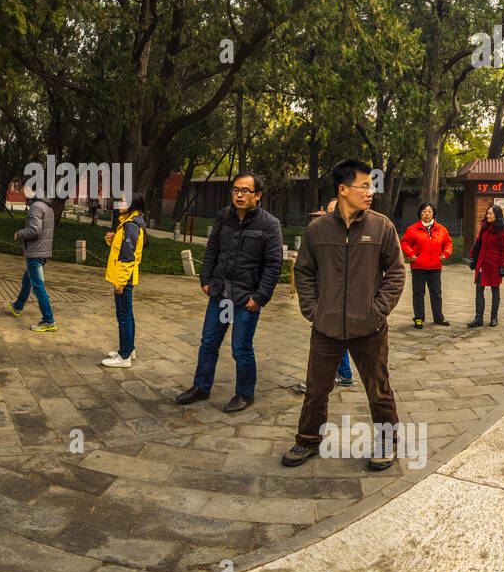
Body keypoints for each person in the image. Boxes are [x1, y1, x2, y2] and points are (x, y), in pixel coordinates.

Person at [285, 159, 404, 473]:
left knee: (378, 389)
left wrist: (377, 311)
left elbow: (396, 273)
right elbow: (304, 272)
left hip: (370, 328)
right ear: (342, 189)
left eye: (371, 185)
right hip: (326, 327)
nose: (370, 192)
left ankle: (386, 442)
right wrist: (313, 310)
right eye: (364, 185)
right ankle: (308, 439)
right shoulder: (318, 230)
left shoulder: (382, 227)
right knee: (316, 389)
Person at [175, 173, 282, 412]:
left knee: (241, 348)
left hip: (246, 299)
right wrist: (205, 280)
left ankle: (245, 394)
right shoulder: (224, 217)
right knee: (209, 343)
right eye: (236, 190)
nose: (240, 195)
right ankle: (201, 387)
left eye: (245, 190)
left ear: (258, 195)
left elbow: (273, 265)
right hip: (221, 295)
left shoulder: (269, 224)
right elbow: (212, 248)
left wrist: (259, 297)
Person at [100, 196, 146, 368]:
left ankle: (124, 356)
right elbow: (121, 249)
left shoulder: (131, 225)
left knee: (124, 316)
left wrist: (120, 282)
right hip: (124, 276)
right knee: (127, 315)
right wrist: (110, 239)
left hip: (124, 277)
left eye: (124, 201)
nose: (120, 204)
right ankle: (129, 349)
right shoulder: (127, 223)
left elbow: (128, 257)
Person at [9, 188, 58, 332]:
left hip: (36, 253)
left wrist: (20, 234)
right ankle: (18, 306)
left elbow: (35, 230)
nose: (24, 192)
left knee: (38, 288)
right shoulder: (48, 207)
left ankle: (48, 321)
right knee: (27, 280)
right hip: (42, 252)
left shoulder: (36, 207)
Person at [402, 203, 453, 327]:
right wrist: (411, 254)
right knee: (418, 293)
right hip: (418, 266)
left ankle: (438, 318)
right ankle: (418, 318)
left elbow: (448, 243)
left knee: (436, 293)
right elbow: (404, 242)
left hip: (435, 267)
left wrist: (446, 254)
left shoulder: (441, 229)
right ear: (420, 213)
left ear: (433, 213)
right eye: (424, 211)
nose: (427, 213)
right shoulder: (412, 229)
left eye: (429, 211)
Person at [469, 203, 504, 327]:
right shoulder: (485, 227)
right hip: (482, 263)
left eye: (490, 213)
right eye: (487, 213)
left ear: (496, 215)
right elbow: (478, 243)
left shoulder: (503, 229)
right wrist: (473, 257)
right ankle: (478, 318)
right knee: (479, 290)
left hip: (495, 264)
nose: (488, 215)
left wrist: (503, 265)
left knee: (495, 290)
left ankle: (494, 317)